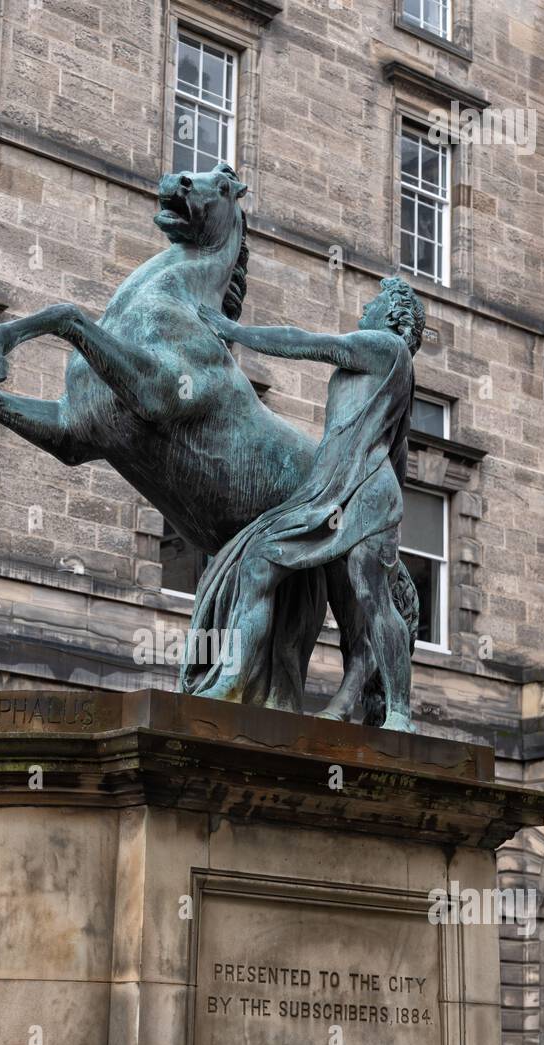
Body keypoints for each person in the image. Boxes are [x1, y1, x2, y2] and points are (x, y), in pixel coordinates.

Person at [190, 276, 425, 732]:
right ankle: (234, 682)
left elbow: (304, 343)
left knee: (372, 598)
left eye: (376, 301)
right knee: (259, 563)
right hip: (330, 491)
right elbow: (400, 454)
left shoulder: (386, 347)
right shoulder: (387, 367)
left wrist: (231, 330)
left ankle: (399, 711)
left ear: (394, 316)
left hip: (363, 492)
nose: (366, 308)